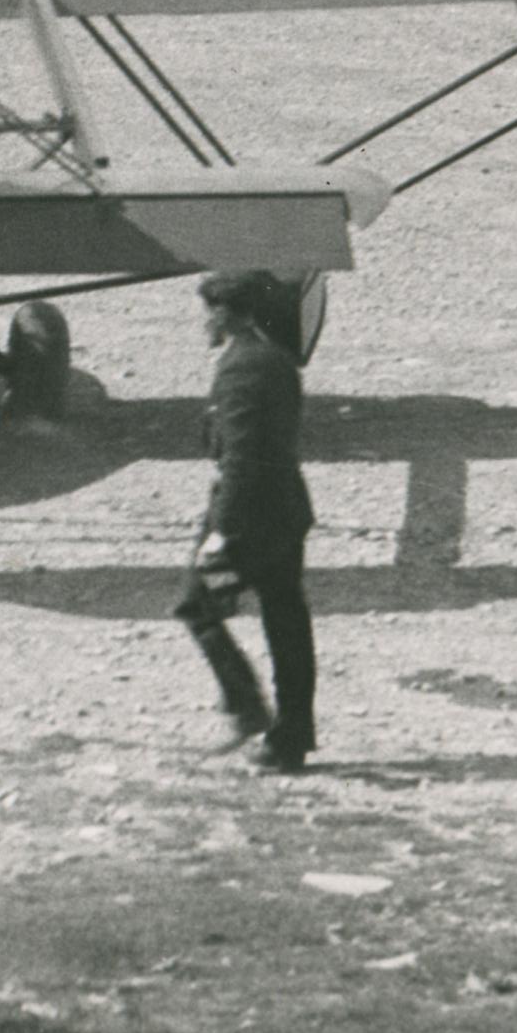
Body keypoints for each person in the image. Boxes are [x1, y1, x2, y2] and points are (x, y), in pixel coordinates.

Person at [173, 268, 318, 772]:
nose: (204, 323)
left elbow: (242, 458)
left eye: (210, 311)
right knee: (285, 619)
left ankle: (247, 707)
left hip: (249, 517)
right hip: (284, 512)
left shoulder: (241, 368)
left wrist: (221, 536)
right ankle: (290, 740)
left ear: (229, 314)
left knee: (197, 604)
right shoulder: (274, 358)